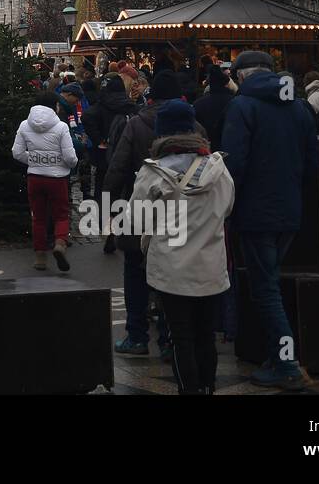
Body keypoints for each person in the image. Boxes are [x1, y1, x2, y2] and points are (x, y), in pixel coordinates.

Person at [222, 50, 318, 390]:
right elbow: (312, 165)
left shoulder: (243, 107)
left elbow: (234, 165)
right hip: (289, 210)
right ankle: (278, 354)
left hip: (254, 212)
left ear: (243, 75)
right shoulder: (299, 107)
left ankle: (286, 363)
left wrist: (228, 206)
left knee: (265, 290)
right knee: (272, 283)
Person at [129, 99, 233, 395]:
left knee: (180, 337)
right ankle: (208, 387)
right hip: (210, 267)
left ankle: (189, 390)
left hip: (171, 270)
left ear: (161, 135)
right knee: (205, 335)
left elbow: (136, 219)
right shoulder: (219, 170)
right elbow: (227, 209)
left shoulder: (153, 173)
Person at [106, 70, 204, 358]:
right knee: (171, 277)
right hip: (182, 214)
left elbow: (118, 166)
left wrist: (109, 204)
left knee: (135, 271)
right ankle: (168, 338)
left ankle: (136, 335)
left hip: (142, 209)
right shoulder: (195, 126)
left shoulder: (136, 124)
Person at [12, 103, 78, 271]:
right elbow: (70, 157)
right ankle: (60, 243)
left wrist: (35, 160)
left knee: (38, 217)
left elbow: (17, 152)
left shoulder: (24, 124)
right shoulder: (61, 127)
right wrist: (68, 164)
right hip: (57, 178)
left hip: (34, 177)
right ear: (54, 107)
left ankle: (40, 257)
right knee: (61, 214)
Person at [85, 75, 137, 254]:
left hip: (104, 156)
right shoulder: (129, 106)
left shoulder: (101, 105)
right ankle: (123, 228)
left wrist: (99, 139)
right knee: (127, 193)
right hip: (127, 155)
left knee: (106, 192)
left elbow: (87, 117)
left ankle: (109, 229)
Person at [193, 65, 234, 150]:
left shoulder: (199, 104)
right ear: (226, 84)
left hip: (207, 147)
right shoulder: (234, 101)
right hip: (230, 146)